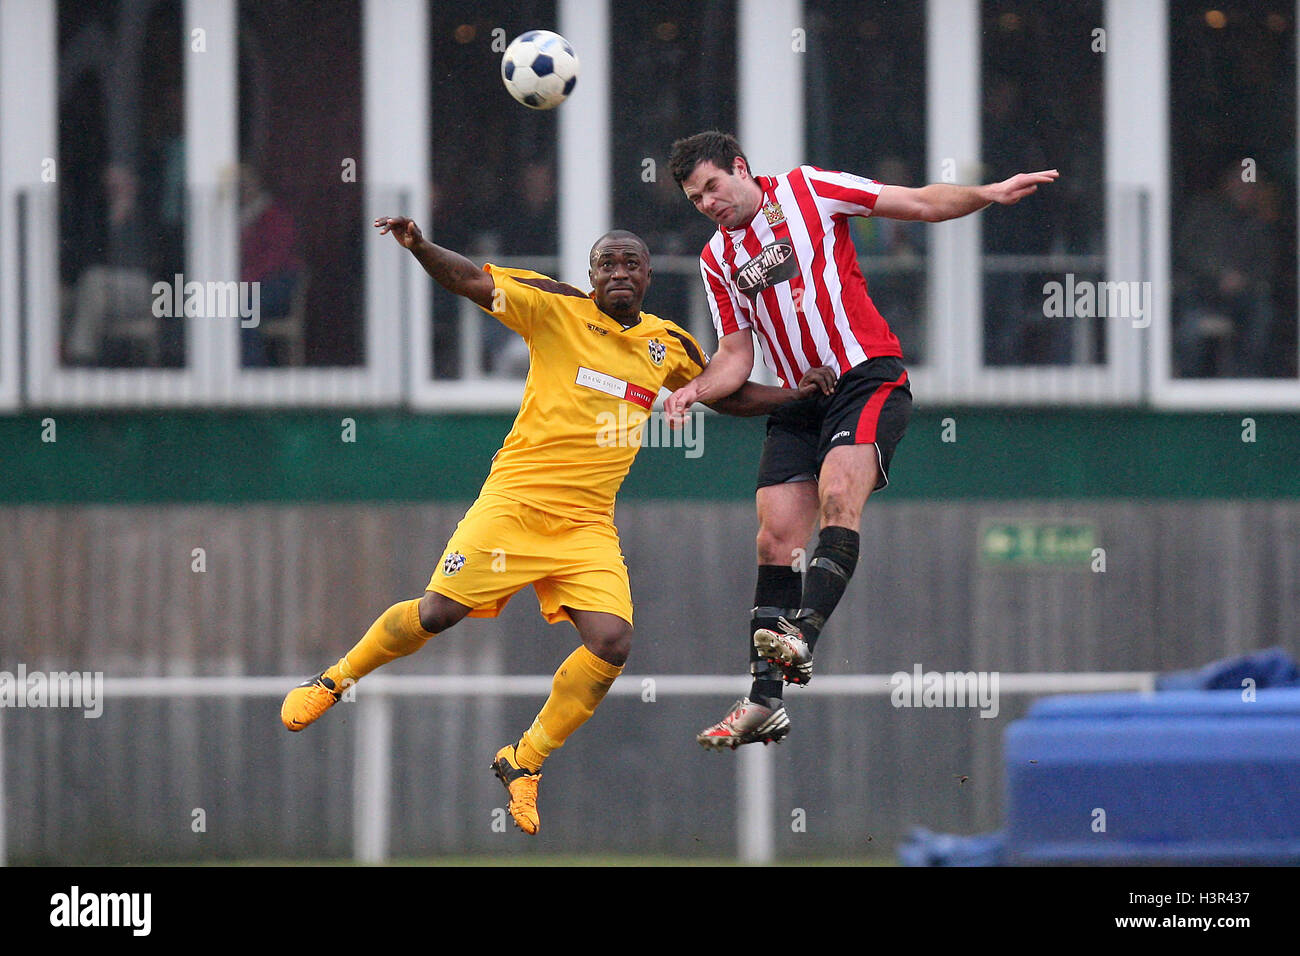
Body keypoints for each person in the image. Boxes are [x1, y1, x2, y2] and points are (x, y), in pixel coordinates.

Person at [280, 214, 835, 834]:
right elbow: (470, 280)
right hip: (515, 502)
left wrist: (794, 395)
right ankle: (334, 679)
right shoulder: (555, 309)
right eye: (607, 264)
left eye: (631, 263)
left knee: (612, 642)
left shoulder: (667, 344)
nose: (619, 272)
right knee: (438, 613)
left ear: (649, 276)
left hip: (586, 524)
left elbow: (722, 393)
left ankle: (524, 761)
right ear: (590, 275)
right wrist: (420, 245)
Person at [664, 130, 1057, 749]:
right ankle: (764, 702)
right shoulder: (717, 261)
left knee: (837, 496)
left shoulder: (808, 190)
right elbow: (736, 357)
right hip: (801, 399)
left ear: (740, 168)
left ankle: (803, 637)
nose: (708, 203)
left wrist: (987, 193)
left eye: (713, 186)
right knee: (774, 537)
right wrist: (695, 389)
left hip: (865, 377)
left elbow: (920, 204)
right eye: (695, 199)